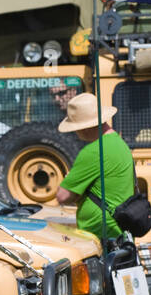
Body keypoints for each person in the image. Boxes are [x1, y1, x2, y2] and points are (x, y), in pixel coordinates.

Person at [55, 93, 134, 243]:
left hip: (100, 238)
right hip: (121, 234)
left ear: (84, 128)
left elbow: (62, 196)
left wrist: (74, 189)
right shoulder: (121, 145)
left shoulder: (93, 152)